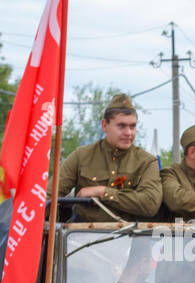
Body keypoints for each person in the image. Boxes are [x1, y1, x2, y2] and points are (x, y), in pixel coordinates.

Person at [57, 93, 161, 222]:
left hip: (130, 237)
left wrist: (103, 192)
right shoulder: (81, 156)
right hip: (81, 236)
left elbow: (150, 204)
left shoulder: (147, 162)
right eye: (121, 126)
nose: (128, 133)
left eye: (132, 126)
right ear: (104, 125)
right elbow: (51, 194)